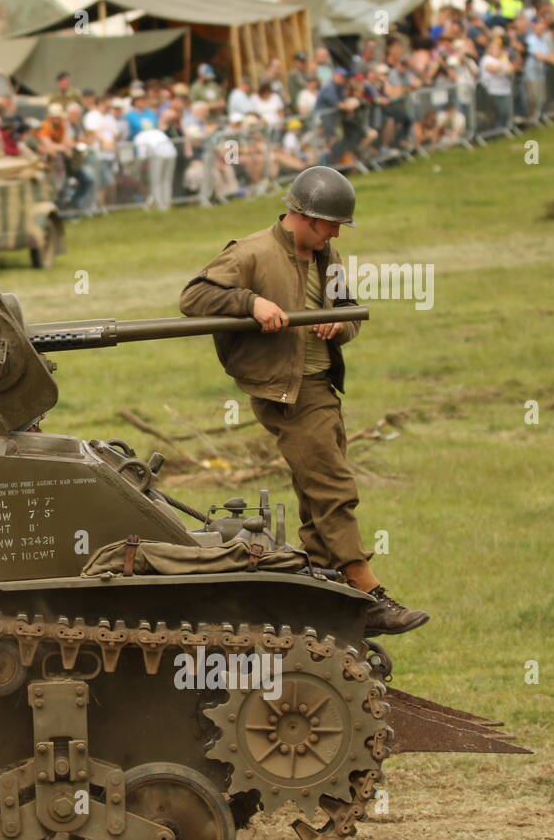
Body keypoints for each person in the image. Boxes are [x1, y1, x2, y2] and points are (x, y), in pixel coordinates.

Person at [178, 166, 429, 636]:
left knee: (317, 494)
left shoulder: (325, 254)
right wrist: (250, 303)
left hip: (319, 385)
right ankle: (366, 593)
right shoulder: (252, 252)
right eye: (331, 223)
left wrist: (339, 323)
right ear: (303, 216)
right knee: (334, 488)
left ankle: (319, 587)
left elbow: (350, 313)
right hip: (284, 391)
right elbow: (193, 296)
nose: (336, 232)